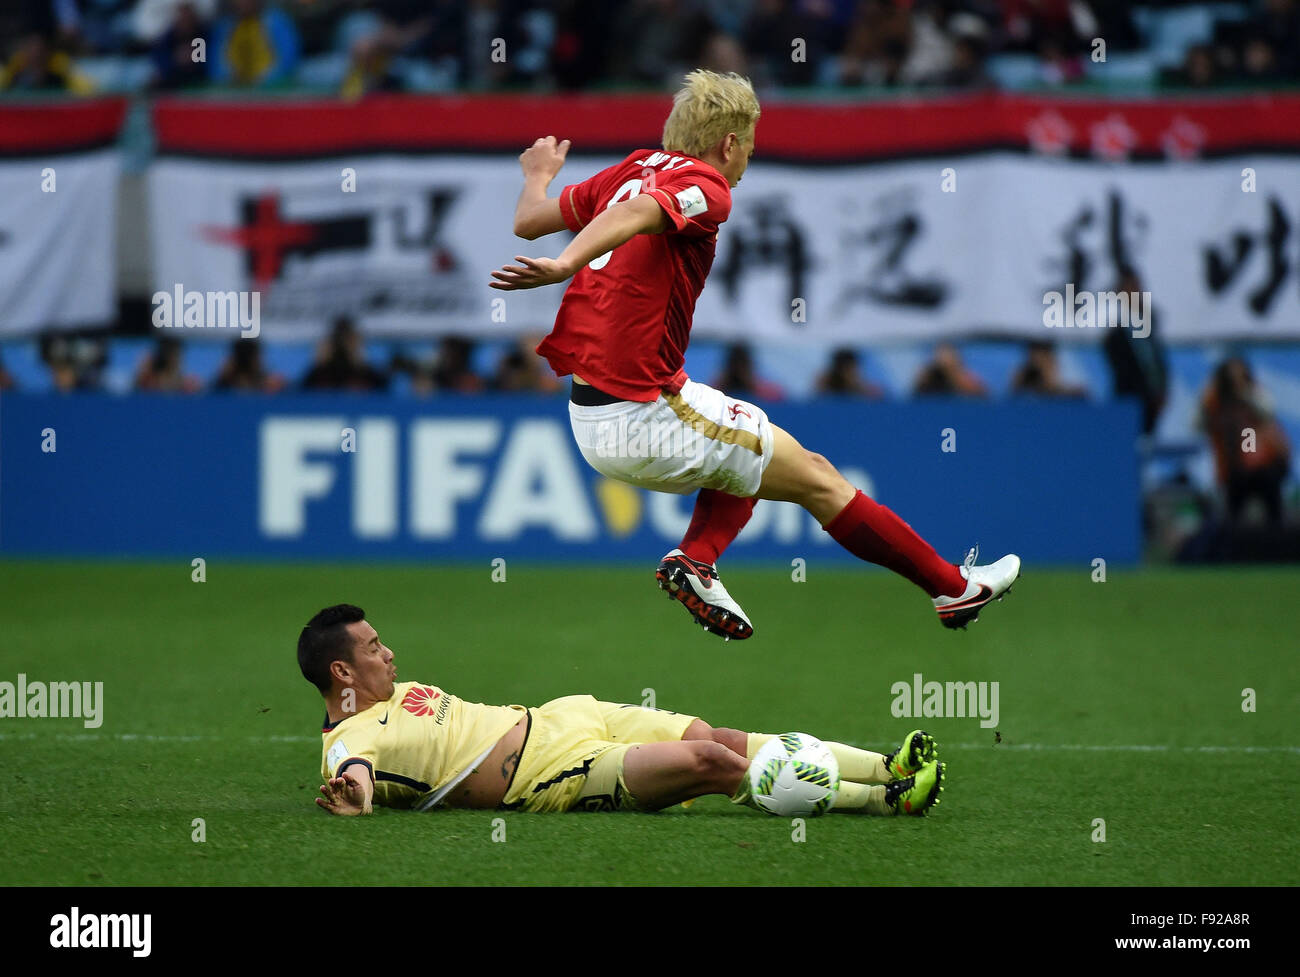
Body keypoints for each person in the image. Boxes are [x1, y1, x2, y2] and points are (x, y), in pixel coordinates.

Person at [490, 69, 1019, 640]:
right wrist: (566, 265)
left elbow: (528, 221)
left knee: (748, 447)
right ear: (730, 143)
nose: (748, 162)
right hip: (639, 414)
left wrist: (538, 177)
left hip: (601, 405)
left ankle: (697, 559)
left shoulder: (633, 167)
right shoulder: (706, 188)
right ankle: (951, 589)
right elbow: (638, 214)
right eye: (751, 146)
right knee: (818, 479)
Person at [303, 605, 944, 817]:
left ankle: (886, 767)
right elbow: (353, 770)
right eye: (373, 647)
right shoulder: (351, 737)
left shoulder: (390, 693)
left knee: (717, 734)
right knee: (714, 764)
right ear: (341, 672)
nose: (389, 654)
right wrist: (353, 796)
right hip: (554, 772)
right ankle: (885, 802)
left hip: (565, 713)